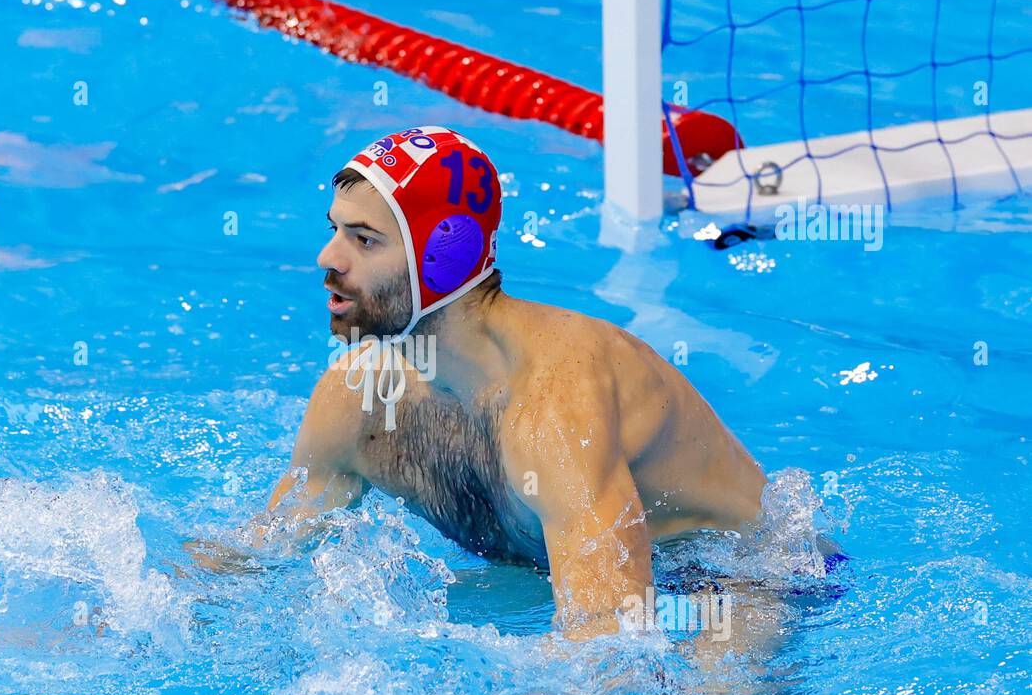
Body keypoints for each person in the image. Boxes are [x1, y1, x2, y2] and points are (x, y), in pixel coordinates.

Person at [249, 126, 768, 641]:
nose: (329, 258)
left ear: (443, 257)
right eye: (334, 230)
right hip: (551, 579)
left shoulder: (553, 405)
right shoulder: (358, 397)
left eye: (364, 240)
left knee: (718, 690)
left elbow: (613, 644)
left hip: (736, 581)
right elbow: (265, 552)